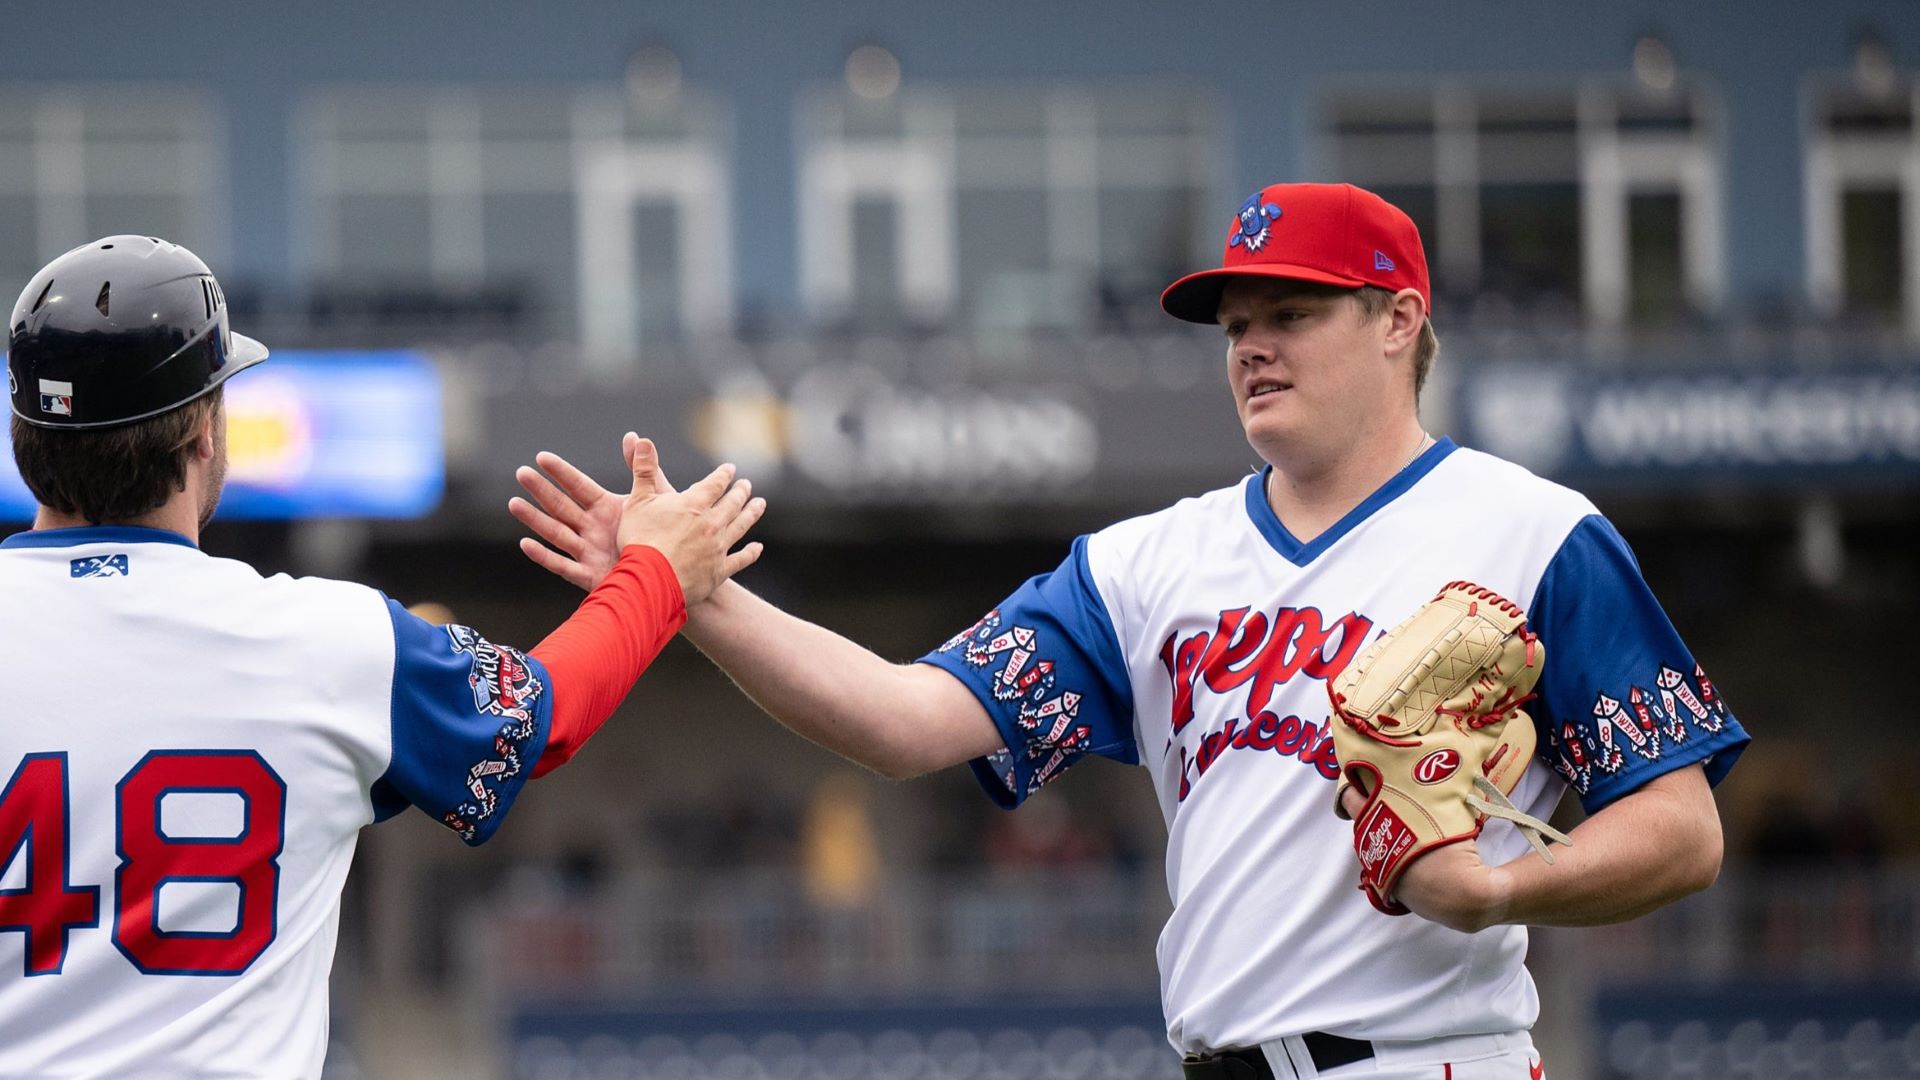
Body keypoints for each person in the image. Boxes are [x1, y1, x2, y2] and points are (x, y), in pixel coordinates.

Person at [511, 183, 1749, 1079]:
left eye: (1291, 311)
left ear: (1397, 319)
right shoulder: (1148, 563)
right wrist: (687, 591)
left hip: (1429, 1057)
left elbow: (1682, 830)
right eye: (1235, 324)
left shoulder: (1533, 533)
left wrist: (1497, 893)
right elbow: (900, 721)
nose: (1252, 346)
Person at [0, 236, 765, 1078]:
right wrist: (655, 573)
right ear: (203, 433)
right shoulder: (323, 640)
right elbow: (539, 716)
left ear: (26, 433)